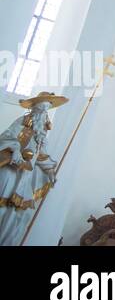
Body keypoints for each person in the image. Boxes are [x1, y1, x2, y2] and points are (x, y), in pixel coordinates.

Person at [0, 92, 67, 246]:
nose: (44, 113)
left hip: (26, 176)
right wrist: (15, 149)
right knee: (3, 208)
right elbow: (5, 137)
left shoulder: (41, 135)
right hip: (10, 170)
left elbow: (41, 155)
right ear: (35, 108)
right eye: (42, 108)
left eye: (47, 109)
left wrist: (50, 171)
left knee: (21, 214)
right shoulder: (21, 122)